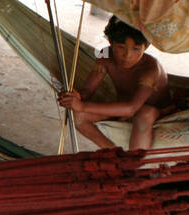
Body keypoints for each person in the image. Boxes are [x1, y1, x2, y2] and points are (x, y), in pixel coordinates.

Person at [56, 16, 171, 150]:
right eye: (121, 47)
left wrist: (82, 105)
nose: (127, 55)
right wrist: (73, 97)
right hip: (121, 107)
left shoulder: (151, 69)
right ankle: (114, 153)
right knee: (77, 116)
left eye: (136, 49)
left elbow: (131, 108)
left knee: (144, 114)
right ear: (110, 41)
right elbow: (87, 91)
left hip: (155, 112)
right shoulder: (105, 54)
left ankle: (136, 161)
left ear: (147, 46)